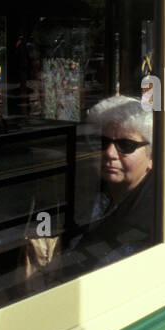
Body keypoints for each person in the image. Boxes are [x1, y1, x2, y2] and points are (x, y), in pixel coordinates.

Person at [67, 95, 156, 271]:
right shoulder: (90, 192)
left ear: (151, 157)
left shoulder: (155, 212)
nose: (109, 153)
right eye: (103, 142)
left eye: (126, 145)